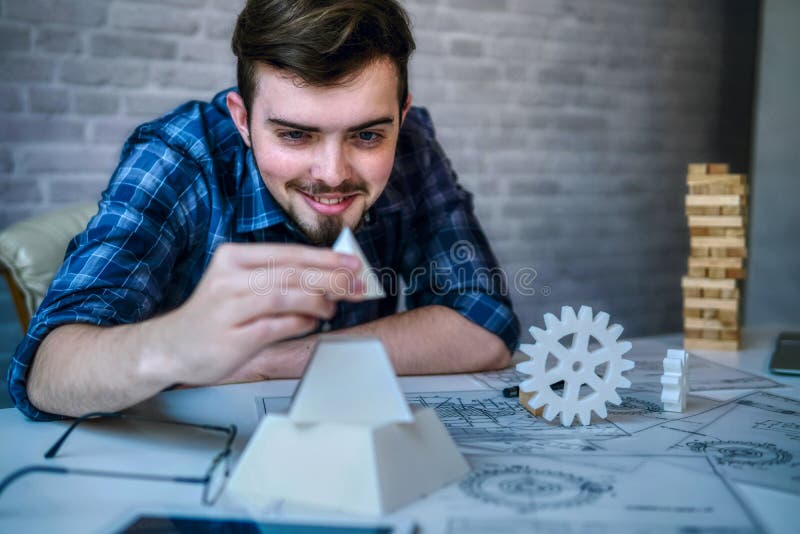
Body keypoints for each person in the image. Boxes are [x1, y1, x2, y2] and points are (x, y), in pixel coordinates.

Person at [8, 0, 519, 421]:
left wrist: (265, 361)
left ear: (400, 117)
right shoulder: (179, 156)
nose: (332, 174)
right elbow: (47, 375)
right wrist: (180, 344)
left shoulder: (411, 146)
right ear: (243, 119)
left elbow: (484, 325)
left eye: (367, 136)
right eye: (295, 134)